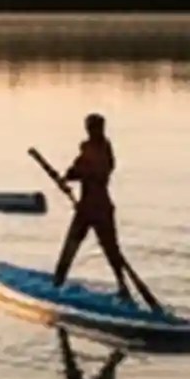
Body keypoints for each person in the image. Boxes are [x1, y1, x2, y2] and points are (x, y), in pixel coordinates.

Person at [52, 113, 132, 302]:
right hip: (100, 207)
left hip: (91, 209)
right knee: (108, 248)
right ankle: (121, 285)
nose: (90, 131)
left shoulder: (96, 150)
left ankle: (57, 282)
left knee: (76, 245)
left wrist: (68, 177)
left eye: (91, 128)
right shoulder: (101, 149)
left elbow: (83, 170)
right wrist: (67, 177)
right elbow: (79, 169)